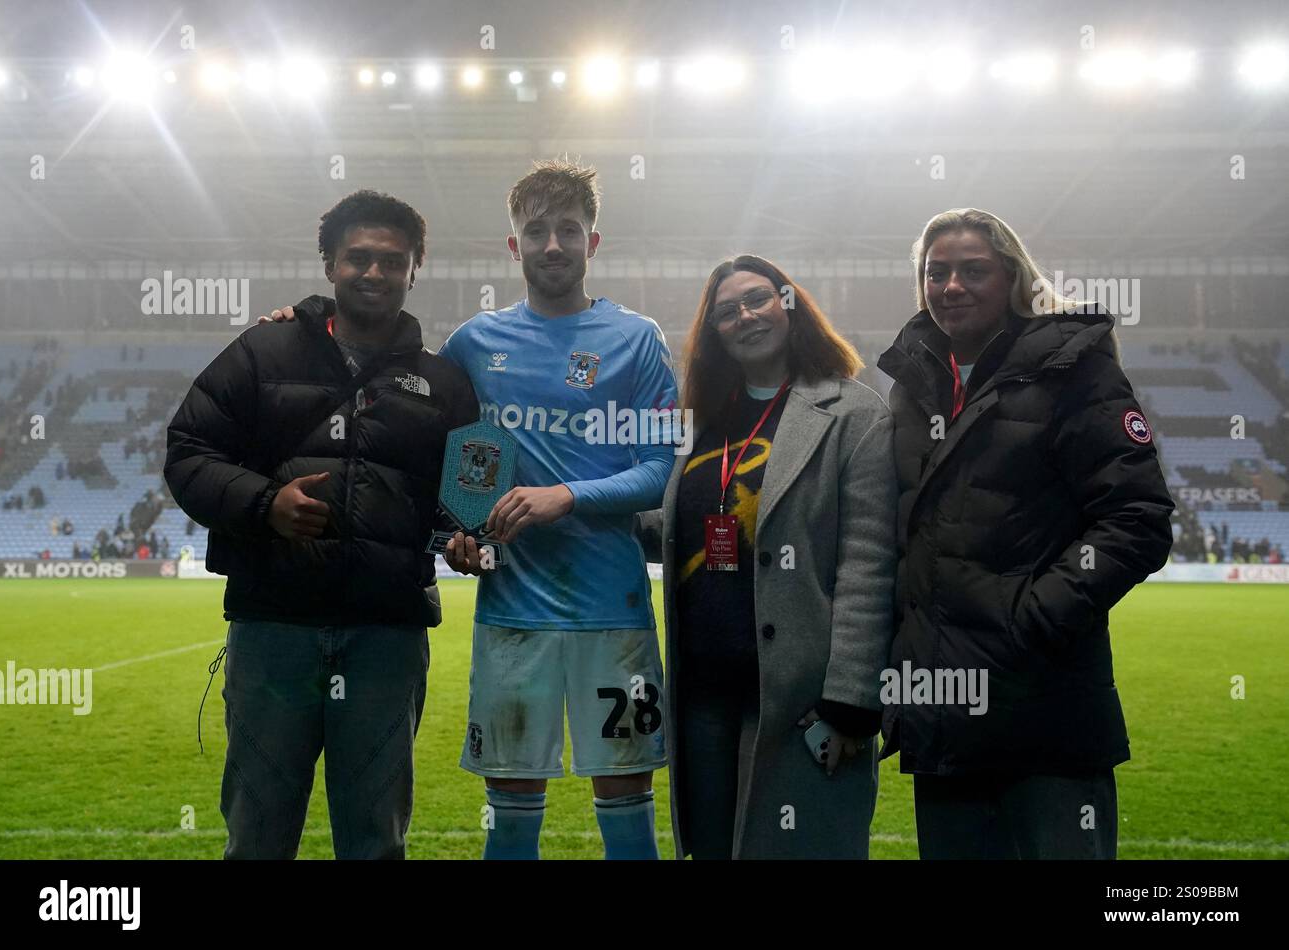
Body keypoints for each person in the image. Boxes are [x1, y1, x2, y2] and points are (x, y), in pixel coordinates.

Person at [260, 161, 679, 861]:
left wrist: (563, 496)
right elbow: (436, 457)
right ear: (514, 247)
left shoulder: (638, 340)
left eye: (568, 230)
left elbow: (660, 469)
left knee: (628, 820)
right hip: (510, 615)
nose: (552, 245)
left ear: (592, 243)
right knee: (510, 821)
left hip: (616, 612)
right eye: (536, 231)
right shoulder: (474, 346)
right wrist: (457, 536)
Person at [165, 189, 479, 859]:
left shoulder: (446, 385)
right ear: (330, 265)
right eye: (357, 258)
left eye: (391, 261)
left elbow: (460, 504)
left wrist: (467, 539)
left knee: (375, 839)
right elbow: (189, 451)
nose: (373, 273)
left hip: (385, 638)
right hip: (274, 627)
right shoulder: (261, 352)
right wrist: (263, 503)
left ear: (415, 269)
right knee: (257, 833)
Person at [877, 208, 1175, 859]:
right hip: (944, 722)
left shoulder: (1073, 370)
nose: (951, 285)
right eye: (937, 272)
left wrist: (1033, 616)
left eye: (973, 270)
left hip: (1045, 714)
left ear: (1013, 277)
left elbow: (1138, 517)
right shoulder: (910, 389)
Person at [638, 255, 896, 858]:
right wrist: (576, 503)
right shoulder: (698, 422)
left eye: (759, 299)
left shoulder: (853, 413)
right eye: (726, 311)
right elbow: (677, 532)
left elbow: (869, 560)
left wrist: (852, 699)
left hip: (798, 695)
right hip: (702, 692)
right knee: (708, 848)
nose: (745, 316)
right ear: (713, 331)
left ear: (789, 303)